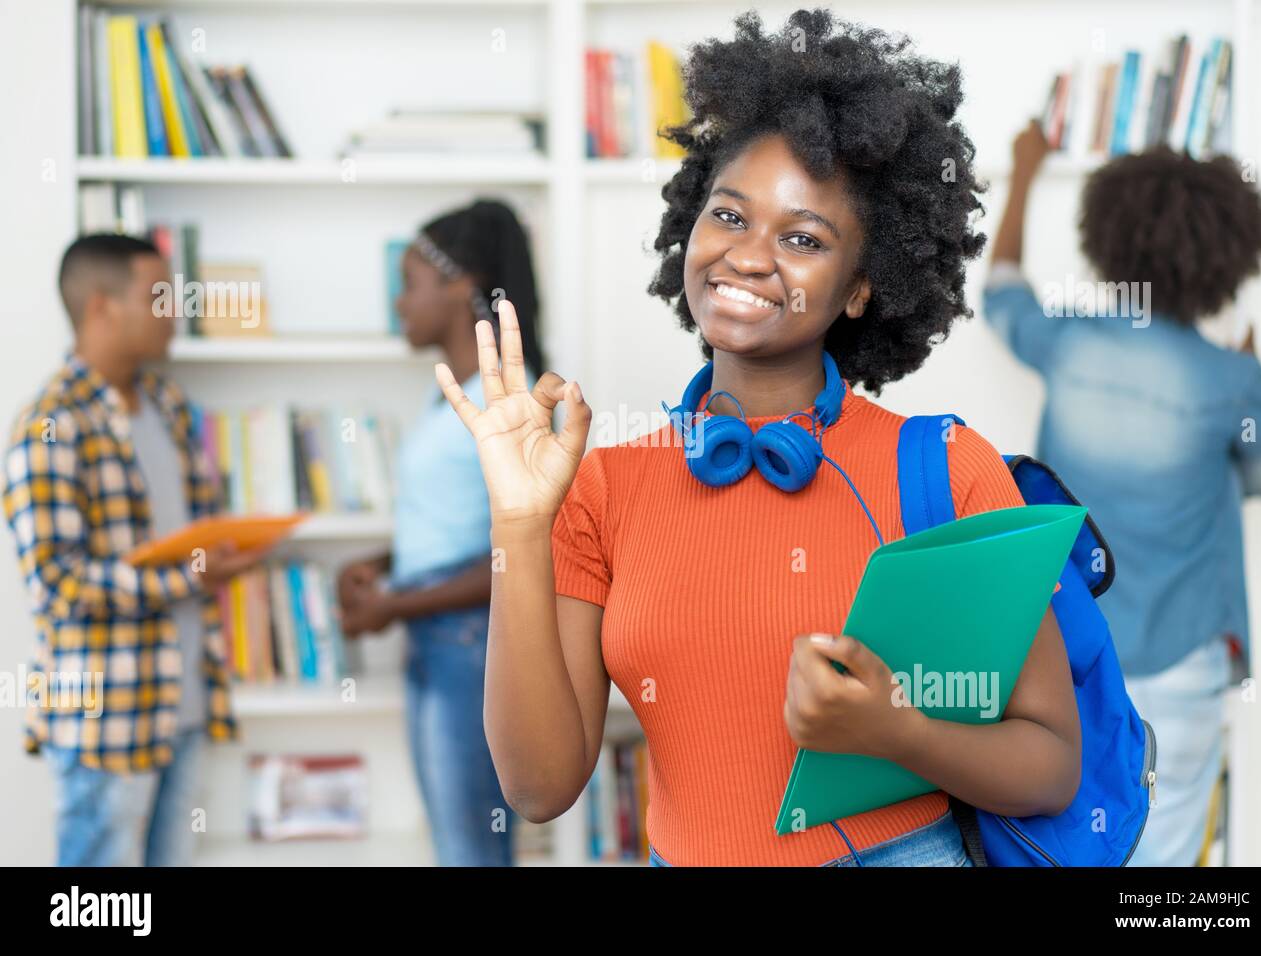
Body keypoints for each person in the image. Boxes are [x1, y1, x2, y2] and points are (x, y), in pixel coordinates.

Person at [433, 10, 1084, 867]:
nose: (748, 257)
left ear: (861, 286)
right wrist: (518, 526)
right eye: (730, 217)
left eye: (804, 239)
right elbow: (540, 787)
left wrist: (894, 730)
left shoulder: (943, 471)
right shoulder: (602, 488)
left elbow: (1050, 767)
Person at [983, 121, 1261, 866]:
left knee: (1072, 838)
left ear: (1111, 240)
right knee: (1166, 852)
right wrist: (1246, 389)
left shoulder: (1070, 343)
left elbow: (1000, 292)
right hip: (1184, 661)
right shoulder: (1230, 380)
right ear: (1227, 260)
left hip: (1077, 658)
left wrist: (1023, 172)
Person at [2, 233, 269, 866]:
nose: (174, 309)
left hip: (183, 703)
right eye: (157, 295)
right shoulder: (50, 423)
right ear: (102, 307)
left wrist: (229, 551)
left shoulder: (169, 406)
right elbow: (57, 585)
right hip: (106, 721)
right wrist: (191, 578)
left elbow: (200, 527)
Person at [336, 199, 543, 866]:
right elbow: (458, 526)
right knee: (459, 848)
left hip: (471, 647)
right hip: (441, 641)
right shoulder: (458, 396)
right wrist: (383, 563)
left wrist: (394, 603)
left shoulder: (508, 401)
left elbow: (525, 555)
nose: (399, 304)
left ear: (460, 283)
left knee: (471, 852)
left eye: (410, 282)